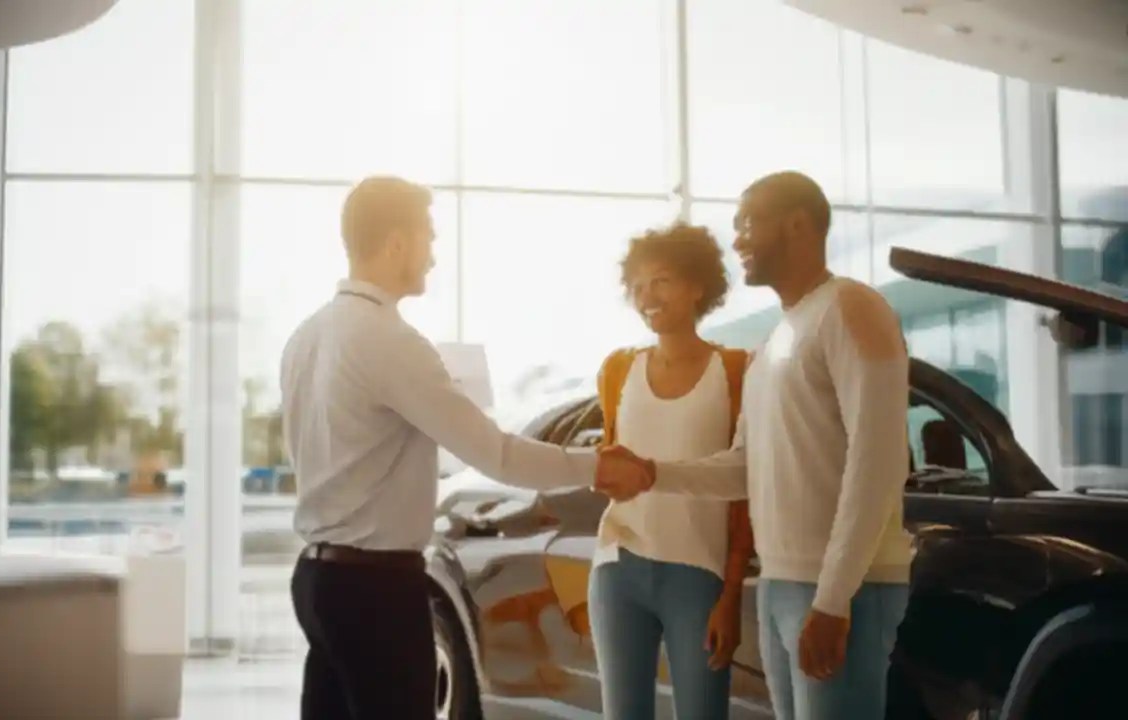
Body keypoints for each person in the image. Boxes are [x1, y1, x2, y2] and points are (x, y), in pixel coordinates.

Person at [280, 176, 598, 720]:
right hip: (375, 589)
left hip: (318, 581)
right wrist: (600, 465)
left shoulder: (306, 336)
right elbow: (499, 456)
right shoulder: (389, 340)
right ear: (397, 242)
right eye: (428, 238)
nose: (432, 256)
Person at [597, 171, 911, 720]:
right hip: (782, 586)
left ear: (797, 224)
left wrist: (833, 600)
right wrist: (652, 473)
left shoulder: (852, 308)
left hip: (841, 590)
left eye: (748, 223)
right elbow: (743, 468)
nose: (737, 238)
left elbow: (879, 460)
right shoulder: (775, 340)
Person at [590, 222, 755, 720]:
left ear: (696, 285)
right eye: (638, 287)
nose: (647, 297)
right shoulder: (618, 370)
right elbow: (611, 464)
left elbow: (742, 491)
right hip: (619, 566)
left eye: (660, 281)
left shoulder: (735, 371)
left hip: (699, 574)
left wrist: (730, 595)